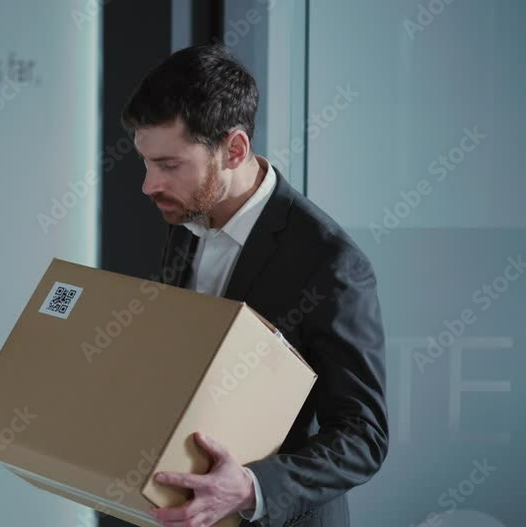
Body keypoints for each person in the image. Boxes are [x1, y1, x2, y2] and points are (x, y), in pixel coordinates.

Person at [105, 44, 389, 527]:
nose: (148, 185)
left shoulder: (331, 262)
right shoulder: (184, 216)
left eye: (169, 165)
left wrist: (252, 489)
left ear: (234, 149)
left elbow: (363, 436)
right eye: (146, 162)